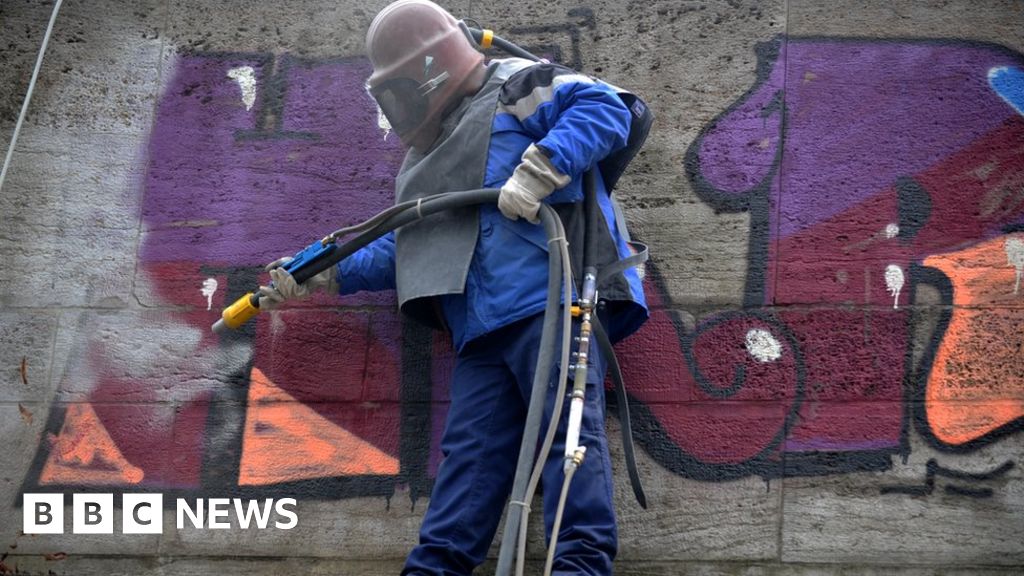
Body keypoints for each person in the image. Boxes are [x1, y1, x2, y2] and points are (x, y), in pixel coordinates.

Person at [258, 1, 647, 573]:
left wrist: (542, 168)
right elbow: (411, 243)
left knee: (567, 443)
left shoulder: (518, 83)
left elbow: (603, 106)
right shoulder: (428, 156)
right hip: (481, 325)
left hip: (552, 300)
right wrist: (322, 270)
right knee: (469, 463)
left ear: (431, 67)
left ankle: (579, 568)